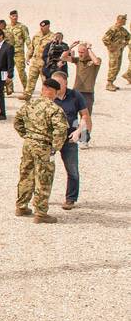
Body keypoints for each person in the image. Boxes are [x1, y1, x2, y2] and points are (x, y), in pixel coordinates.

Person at [13, 79, 69, 224]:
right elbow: (61, 130)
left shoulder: (30, 104)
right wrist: (55, 147)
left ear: (44, 89)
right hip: (44, 146)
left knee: (26, 174)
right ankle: (41, 213)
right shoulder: (54, 109)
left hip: (29, 144)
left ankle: (21, 206)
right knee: (44, 179)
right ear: (55, 92)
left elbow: (17, 121)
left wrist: (26, 135)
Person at [49, 69, 88, 210]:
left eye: (59, 83)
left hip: (69, 139)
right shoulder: (48, 96)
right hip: (51, 140)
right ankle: (42, 196)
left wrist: (79, 131)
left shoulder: (75, 95)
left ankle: (70, 199)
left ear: (65, 83)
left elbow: (84, 116)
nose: (56, 86)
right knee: (45, 169)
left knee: (72, 171)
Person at [71, 41, 100, 147]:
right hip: (76, 91)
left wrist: (89, 49)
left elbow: (96, 61)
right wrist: (70, 47)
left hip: (87, 92)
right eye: (79, 52)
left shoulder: (94, 61)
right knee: (73, 115)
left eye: (82, 52)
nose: (80, 54)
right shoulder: (78, 60)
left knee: (86, 116)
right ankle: (75, 135)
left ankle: (85, 139)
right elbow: (64, 57)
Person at [22, 19, 57, 98]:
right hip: (35, 61)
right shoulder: (37, 35)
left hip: (44, 63)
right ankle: (27, 94)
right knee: (31, 78)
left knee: (45, 80)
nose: (41, 28)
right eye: (41, 27)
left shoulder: (52, 37)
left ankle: (44, 96)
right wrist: (28, 57)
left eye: (43, 27)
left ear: (48, 26)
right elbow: (32, 47)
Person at [4, 10, 29, 96]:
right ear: (10, 17)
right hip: (8, 52)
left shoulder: (22, 27)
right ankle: (8, 88)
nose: (15, 17)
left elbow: (27, 39)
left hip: (18, 52)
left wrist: (30, 51)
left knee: (21, 71)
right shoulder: (6, 27)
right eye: (13, 16)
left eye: (16, 16)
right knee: (6, 70)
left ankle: (26, 89)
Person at [101, 14, 129, 90]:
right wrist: (111, 47)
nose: (125, 21)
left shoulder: (122, 30)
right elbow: (105, 39)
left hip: (119, 51)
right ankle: (109, 84)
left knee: (117, 67)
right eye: (124, 20)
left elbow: (128, 37)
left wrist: (124, 44)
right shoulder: (113, 29)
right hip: (113, 52)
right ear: (120, 20)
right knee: (113, 67)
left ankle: (112, 83)